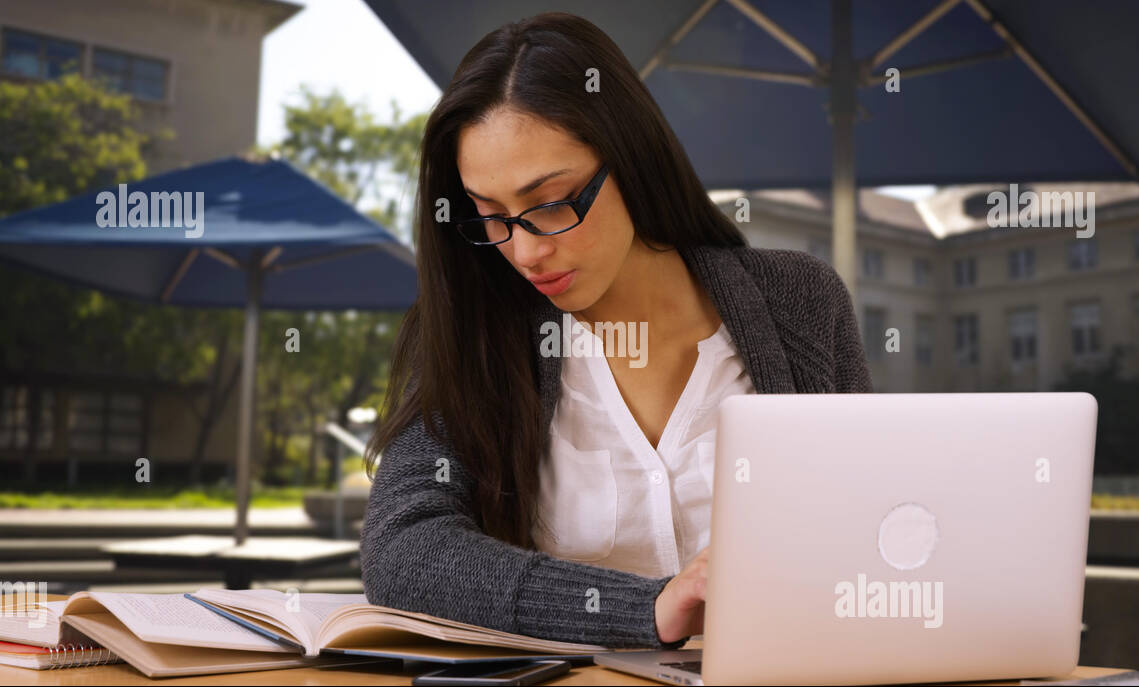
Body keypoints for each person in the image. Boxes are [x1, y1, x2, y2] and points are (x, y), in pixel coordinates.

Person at [361, 11, 871, 649]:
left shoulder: (800, 301)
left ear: (629, 157)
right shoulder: (474, 330)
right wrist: (648, 608)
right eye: (490, 216)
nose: (523, 253)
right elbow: (403, 548)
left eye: (550, 204)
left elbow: (867, 519)